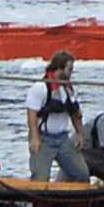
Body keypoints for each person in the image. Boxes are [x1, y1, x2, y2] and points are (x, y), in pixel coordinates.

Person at [25, 50, 89, 182]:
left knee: (82, 174)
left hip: (63, 139)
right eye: (70, 69)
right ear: (60, 68)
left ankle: (72, 200)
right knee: (40, 178)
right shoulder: (40, 87)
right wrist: (35, 138)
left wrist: (80, 134)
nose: (72, 73)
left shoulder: (68, 89)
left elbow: (75, 113)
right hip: (43, 139)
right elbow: (32, 114)